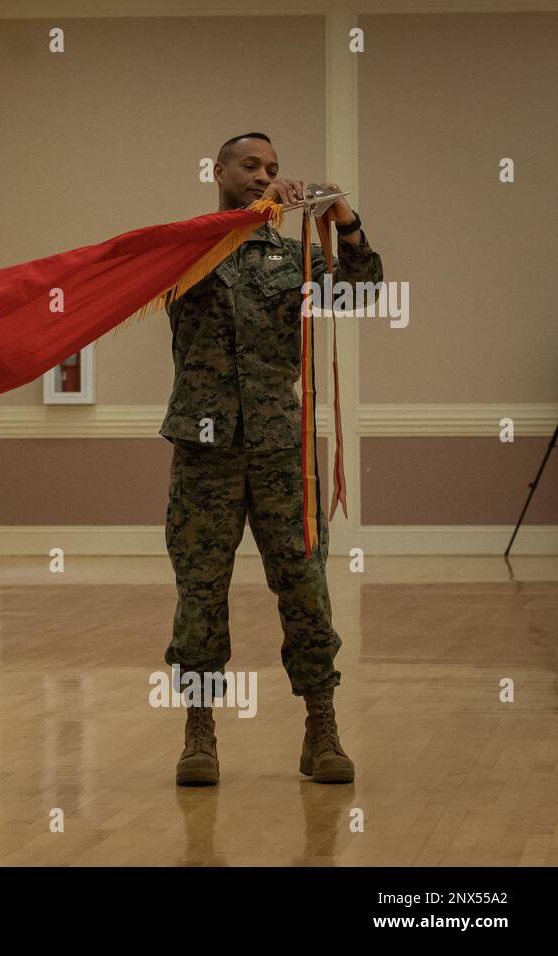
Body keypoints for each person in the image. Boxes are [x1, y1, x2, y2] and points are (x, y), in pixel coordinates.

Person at [162, 132, 383, 786]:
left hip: (280, 449)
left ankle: (321, 725)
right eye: (251, 165)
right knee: (200, 591)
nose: (264, 175)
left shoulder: (296, 258)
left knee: (305, 584)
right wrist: (260, 209)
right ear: (219, 170)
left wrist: (342, 218)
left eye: (274, 169)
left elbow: (364, 290)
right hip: (205, 449)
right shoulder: (184, 251)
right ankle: (199, 731)